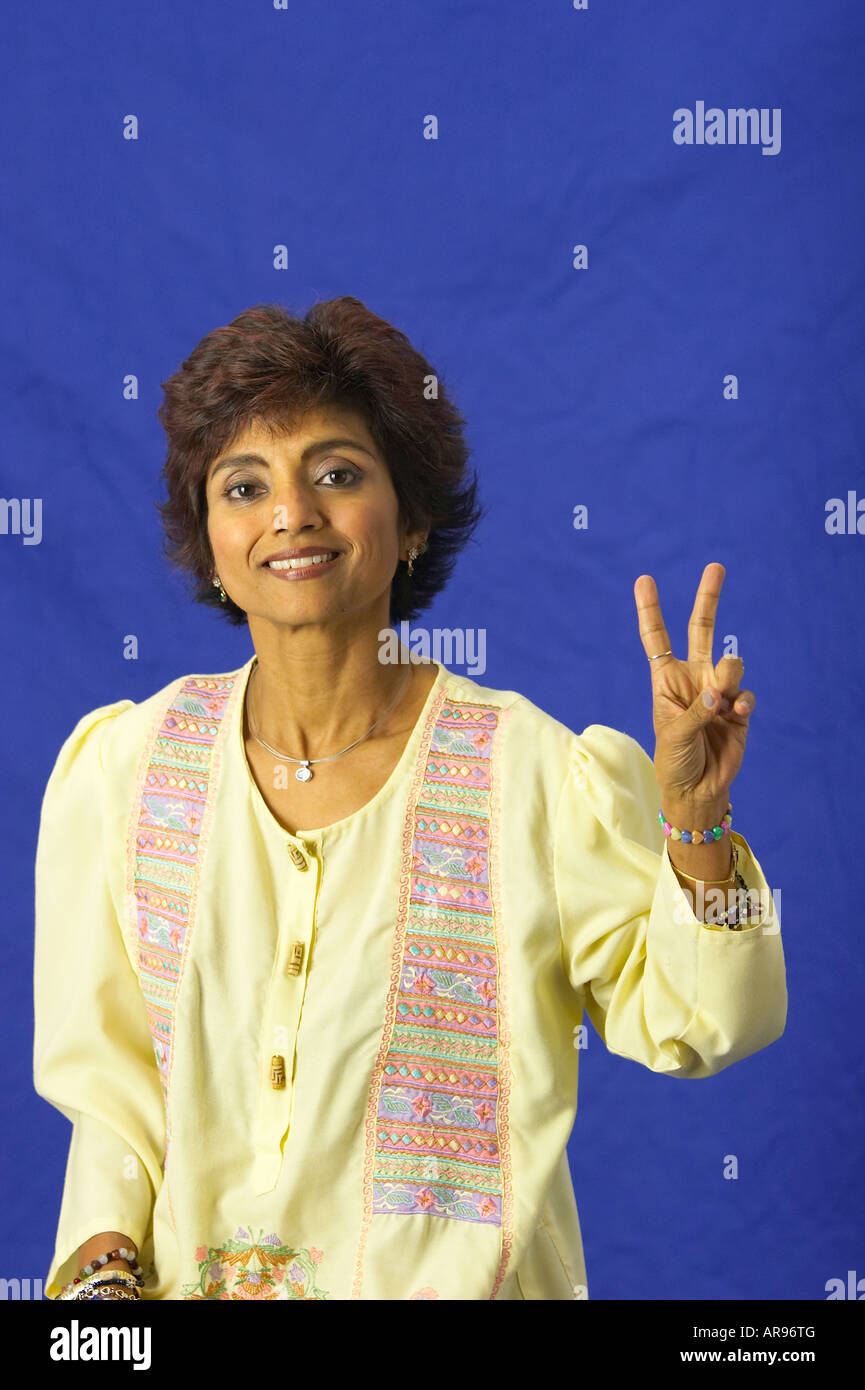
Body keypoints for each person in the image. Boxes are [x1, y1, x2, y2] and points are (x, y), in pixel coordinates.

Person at [32, 297, 786, 1301]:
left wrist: (695, 819)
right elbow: (112, 1100)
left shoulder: (530, 776)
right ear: (209, 538)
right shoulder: (124, 773)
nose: (291, 513)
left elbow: (704, 1021)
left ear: (413, 521)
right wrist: (99, 1281)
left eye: (336, 474)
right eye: (243, 485)